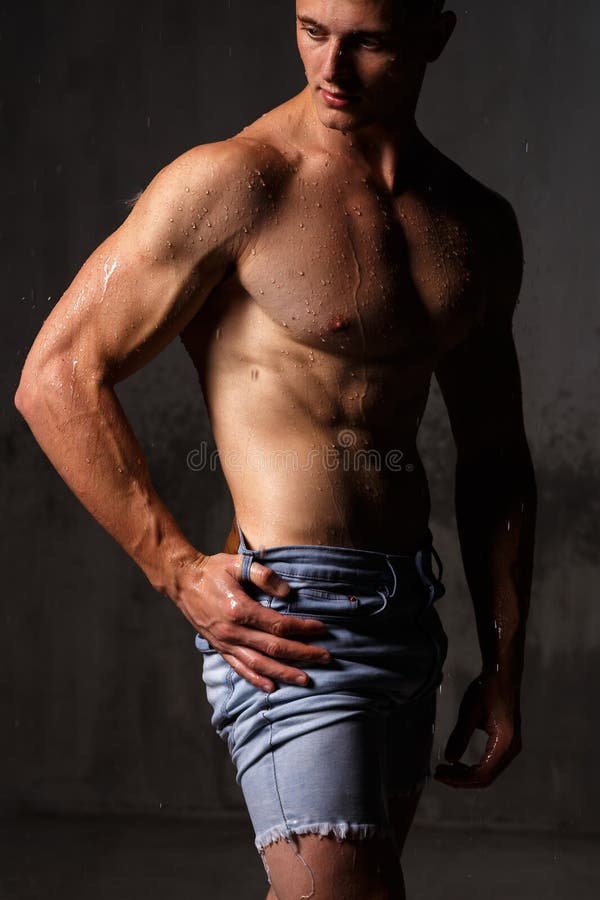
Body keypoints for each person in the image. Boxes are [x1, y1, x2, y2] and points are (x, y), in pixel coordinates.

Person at [15, 0, 537, 896]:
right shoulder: (235, 183)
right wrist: (177, 569)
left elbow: (497, 457)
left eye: (367, 41)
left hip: (412, 608)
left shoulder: (475, 224)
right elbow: (55, 375)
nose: (330, 67)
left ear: (435, 36)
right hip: (290, 616)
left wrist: (503, 663)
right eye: (310, 28)